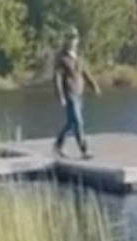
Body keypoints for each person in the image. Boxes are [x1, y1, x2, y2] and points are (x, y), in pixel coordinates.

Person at [52, 29, 100, 159]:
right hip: (69, 94)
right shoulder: (61, 58)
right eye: (70, 38)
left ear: (77, 40)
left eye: (74, 38)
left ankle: (58, 145)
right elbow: (57, 79)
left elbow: (85, 72)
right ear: (66, 40)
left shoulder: (78, 57)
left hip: (79, 93)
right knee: (78, 122)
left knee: (71, 123)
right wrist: (60, 96)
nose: (73, 41)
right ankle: (84, 150)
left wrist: (93, 85)